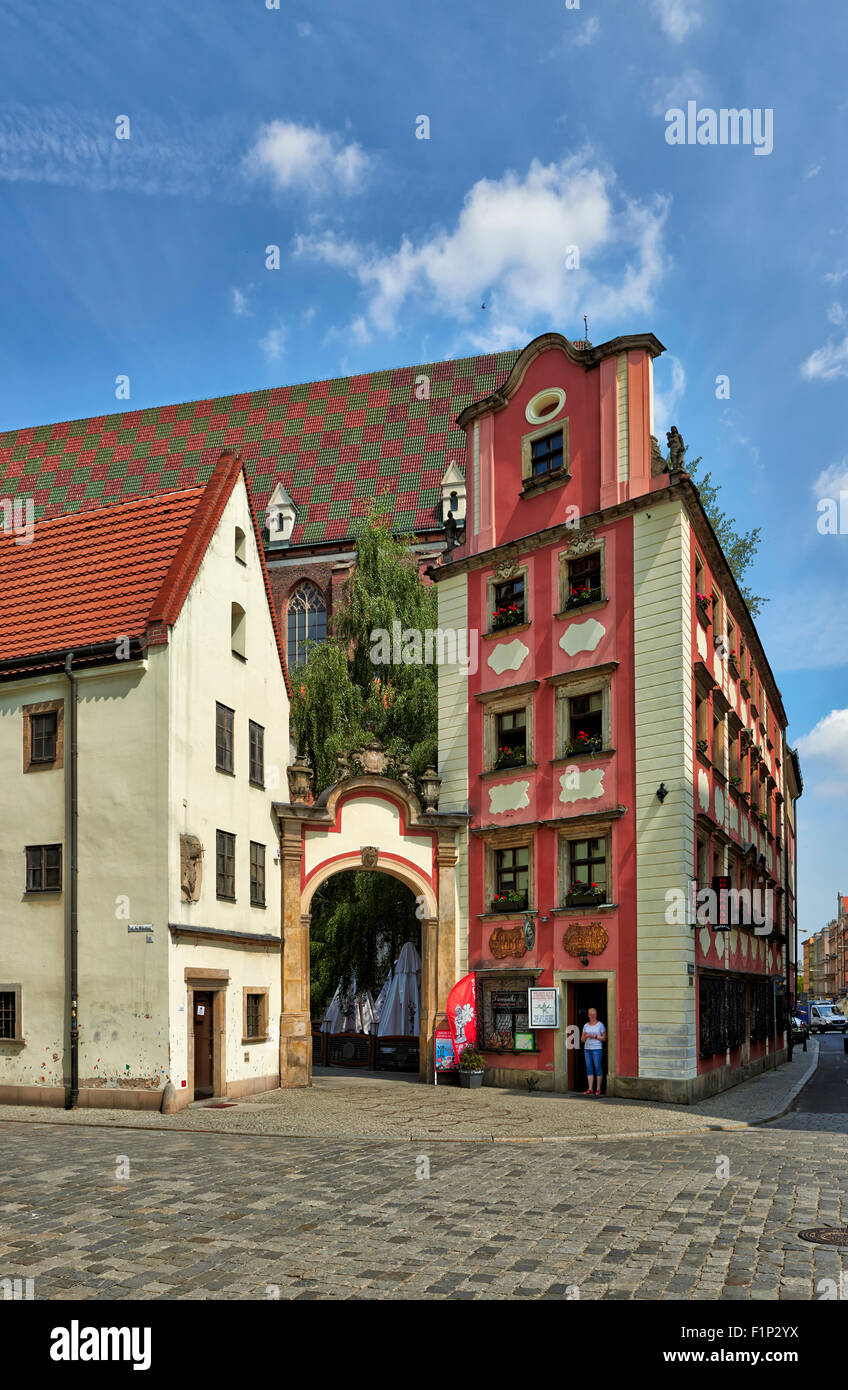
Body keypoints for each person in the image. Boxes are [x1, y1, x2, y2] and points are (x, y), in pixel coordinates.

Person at [581, 1007, 606, 1095]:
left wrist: (595, 1037)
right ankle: (590, 1088)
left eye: (594, 1014)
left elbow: (604, 1038)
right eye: (591, 1014)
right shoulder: (586, 1025)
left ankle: (598, 1088)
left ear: (596, 1015)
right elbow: (582, 1040)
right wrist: (584, 1036)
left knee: (598, 1068)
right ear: (588, 1015)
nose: (592, 1015)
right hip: (587, 1049)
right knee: (589, 1069)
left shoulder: (600, 1025)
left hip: (597, 1049)